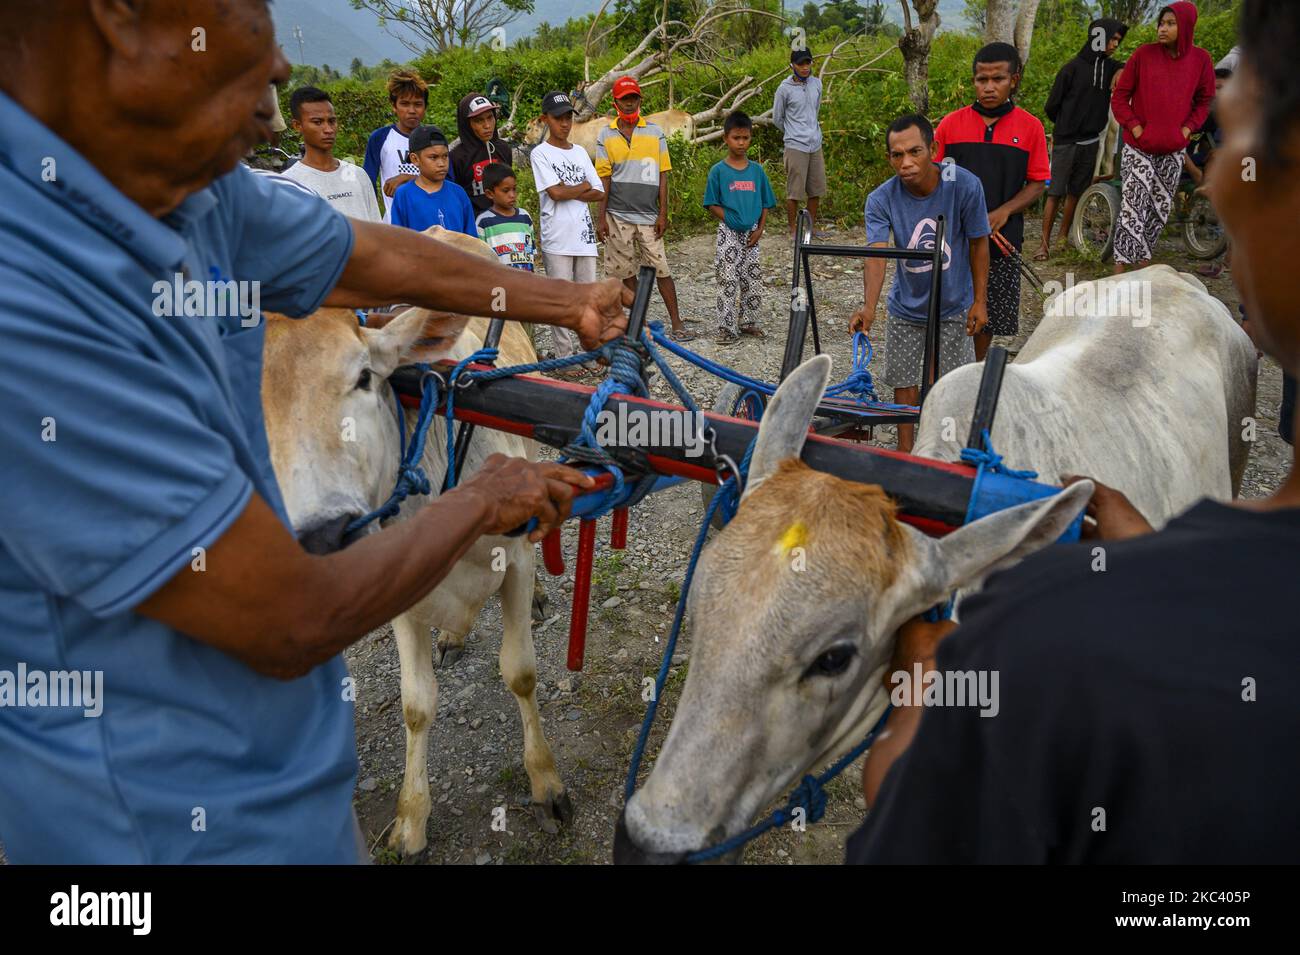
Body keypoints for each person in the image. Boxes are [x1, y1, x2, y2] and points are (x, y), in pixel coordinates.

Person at [0, 1, 630, 864]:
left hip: (295, 788)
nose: (284, 79)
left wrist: (567, 301)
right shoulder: (27, 297)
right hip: (161, 834)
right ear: (121, 15)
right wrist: (480, 501)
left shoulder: (180, 187)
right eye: (249, 15)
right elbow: (288, 616)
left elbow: (373, 255)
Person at [847, 0, 1298, 864]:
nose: (1212, 183)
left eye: (1236, 146)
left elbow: (897, 824)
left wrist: (920, 687)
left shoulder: (1051, 637)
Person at [848, 115, 989, 454]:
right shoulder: (881, 199)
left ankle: (948, 454)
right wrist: (869, 307)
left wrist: (980, 300)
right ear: (889, 158)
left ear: (934, 149)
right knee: (904, 383)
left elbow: (978, 243)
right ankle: (905, 453)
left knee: (952, 387)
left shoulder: (965, 186)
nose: (906, 163)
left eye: (915, 152)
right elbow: (877, 255)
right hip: (906, 305)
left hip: (954, 303)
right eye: (897, 155)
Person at [934, 42, 1049, 362]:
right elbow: (935, 177)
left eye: (997, 79)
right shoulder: (950, 125)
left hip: (1002, 237)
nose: (988, 87)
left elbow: (1039, 182)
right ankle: (944, 369)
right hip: (953, 240)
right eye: (981, 80)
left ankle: (974, 369)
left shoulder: (1031, 127)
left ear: (1014, 80)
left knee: (987, 316)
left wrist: (1004, 211)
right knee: (946, 309)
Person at [1109, 1, 1216, 274]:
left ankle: (1142, 265)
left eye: (1170, 23)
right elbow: (1120, 97)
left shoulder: (1201, 60)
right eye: (1161, 23)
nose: (1162, 29)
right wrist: (1134, 127)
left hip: (1173, 149)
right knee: (1133, 205)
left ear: (1186, 26)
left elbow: (1205, 101)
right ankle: (1120, 269)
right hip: (1139, 146)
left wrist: (1187, 130)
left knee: (1159, 207)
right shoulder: (1144, 55)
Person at [594, 76, 694, 342]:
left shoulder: (654, 132)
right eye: (624, 99)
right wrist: (600, 217)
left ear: (640, 100)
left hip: (649, 215)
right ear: (615, 102)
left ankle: (677, 322)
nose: (629, 103)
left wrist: (663, 213)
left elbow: (663, 175)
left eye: (633, 98)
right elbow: (604, 177)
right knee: (625, 272)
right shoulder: (606, 135)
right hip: (617, 215)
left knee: (661, 268)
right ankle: (641, 321)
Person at [1037, 18, 1128, 261]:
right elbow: (1051, 106)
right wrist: (1069, 124)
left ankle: (1062, 239)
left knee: (1076, 192)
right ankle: (1043, 244)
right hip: (1066, 139)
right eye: (1111, 39)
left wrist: (1120, 68)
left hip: (1091, 141)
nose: (1115, 44)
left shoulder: (1110, 68)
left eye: (1118, 40)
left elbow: (1130, 66)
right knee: (1055, 192)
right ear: (1097, 37)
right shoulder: (1071, 69)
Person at [530, 90, 607, 369]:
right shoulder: (540, 153)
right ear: (545, 119)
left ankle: (587, 352)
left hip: (583, 237)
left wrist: (571, 190)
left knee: (587, 299)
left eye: (568, 118)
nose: (564, 123)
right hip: (557, 237)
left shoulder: (579, 152)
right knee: (562, 301)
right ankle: (565, 358)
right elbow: (555, 193)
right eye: (558, 118)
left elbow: (598, 191)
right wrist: (580, 188)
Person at [702, 111, 776, 345]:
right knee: (728, 278)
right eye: (736, 138)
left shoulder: (757, 171)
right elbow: (711, 203)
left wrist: (760, 228)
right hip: (728, 233)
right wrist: (729, 219)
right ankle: (726, 327)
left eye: (745, 138)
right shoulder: (719, 171)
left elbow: (766, 202)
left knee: (752, 277)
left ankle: (748, 322)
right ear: (726, 138)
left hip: (752, 232)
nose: (741, 143)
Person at [282, 86, 382, 222]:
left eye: (332, 121)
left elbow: (376, 228)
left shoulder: (358, 175)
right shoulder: (289, 184)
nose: (328, 129)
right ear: (297, 125)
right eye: (317, 122)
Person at [772, 47, 827, 239]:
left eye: (808, 63)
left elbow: (815, 110)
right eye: (800, 64)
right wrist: (793, 133)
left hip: (815, 144)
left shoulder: (817, 84)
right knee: (794, 191)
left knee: (816, 189)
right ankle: (793, 229)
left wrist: (812, 131)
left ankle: (809, 229)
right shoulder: (784, 89)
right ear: (792, 65)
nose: (805, 67)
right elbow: (777, 118)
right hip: (795, 145)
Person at [362, 69, 429, 221]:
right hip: (395, 224)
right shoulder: (380, 138)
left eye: (417, 104)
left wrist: (409, 178)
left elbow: (447, 182)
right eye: (404, 104)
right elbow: (367, 184)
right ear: (394, 106)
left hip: (431, 221)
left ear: (425, 107)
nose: (411, 110)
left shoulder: (433, 137)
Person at [387, 124, 476, 237]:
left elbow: (471, 239)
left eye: (445, 156)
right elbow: (399, 240)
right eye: (433, 157)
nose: (441, 164)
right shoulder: (404, 195)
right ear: (415, 159)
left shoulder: (458, 193)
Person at [449, 91, 513, 215]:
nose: (487, 125)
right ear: (467, 124)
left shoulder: (504, 149)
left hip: (504, 223)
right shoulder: (457, 158)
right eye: (479, 121)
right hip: (474, 228)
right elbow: (455, 200)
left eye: (490, 117)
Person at [475, 162, 535, 272]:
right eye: (506, 190)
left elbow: (531, 250)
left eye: (514, 189)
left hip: (527, 281)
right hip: (499, 283)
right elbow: (480, 259)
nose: (512, 195)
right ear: (489, 194)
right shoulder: (484, 222)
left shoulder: (525, 217)